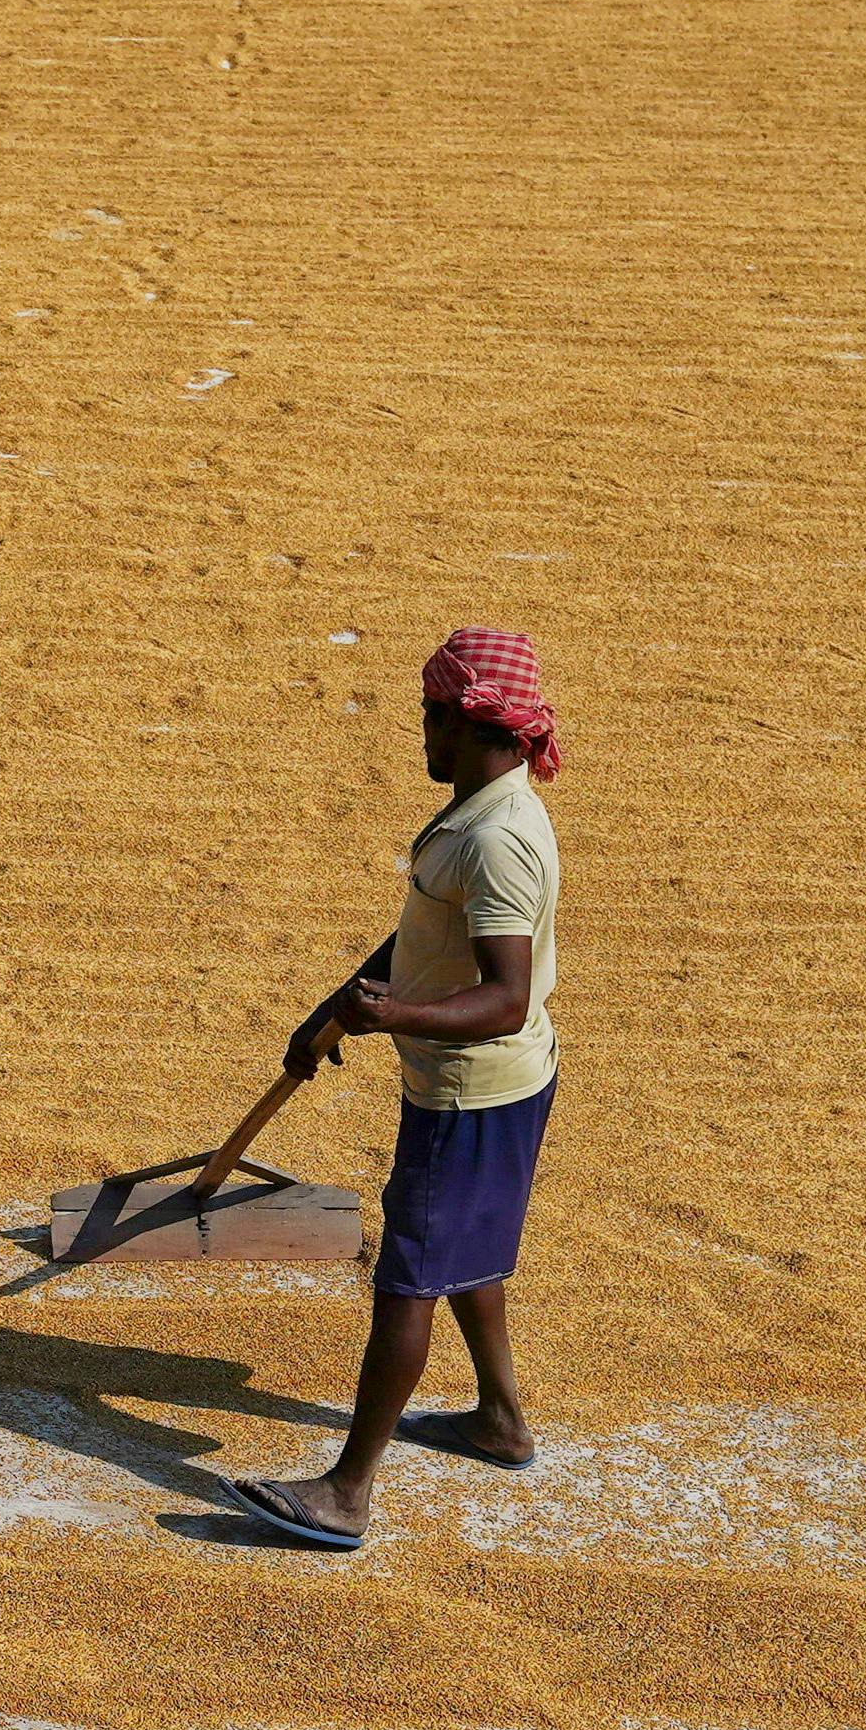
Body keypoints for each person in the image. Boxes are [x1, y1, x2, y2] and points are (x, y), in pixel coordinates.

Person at [226, 626, 562, 1552]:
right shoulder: (481, 810)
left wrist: (393, 1019)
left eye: (432, 713)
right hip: (505, 1085)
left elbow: (503, 996)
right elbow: (423, 940)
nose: (421, 728)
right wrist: (342, 1004)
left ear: (472, 720)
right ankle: (500, 1420)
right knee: (470, 1249)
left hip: (467, 1097)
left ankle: (346, 1492)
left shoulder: (497, 841)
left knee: (408, 1280)